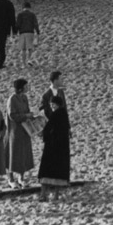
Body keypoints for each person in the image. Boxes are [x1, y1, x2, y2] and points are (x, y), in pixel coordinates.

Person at [38, 72, 72, 201]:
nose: (62, 80)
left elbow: (65, 110)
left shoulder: (61, 93)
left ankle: (54, 193)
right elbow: (43, 110)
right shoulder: (46, 95)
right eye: (60, 78)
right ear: (55, 80)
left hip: (59, 133)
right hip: (51, 131)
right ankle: (46, 193)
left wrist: (68, 128)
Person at [6, 78, 36, 186]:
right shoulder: (12, 99)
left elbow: (27, 111)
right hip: (15, 130)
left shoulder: (24, 97)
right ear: (20, 88)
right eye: (25, 86)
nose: (27, 88)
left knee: (23, 153)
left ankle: (21, 178)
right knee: (13, 153)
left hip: (25, 129)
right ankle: (11, 179)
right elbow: (12, 115)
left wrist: (31, 116)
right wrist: (25, 116)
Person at [14, 0, 41, 66]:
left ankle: (23, 64)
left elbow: (18, 24)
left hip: (22, 33)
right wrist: (37, 32)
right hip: (30, 32)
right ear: (29, 7)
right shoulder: (32, 15)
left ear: (23, 7)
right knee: (30, 48)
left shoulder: (20, 14)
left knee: (23, 49)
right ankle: (29, 59)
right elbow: (35, 24)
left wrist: (15, 32)